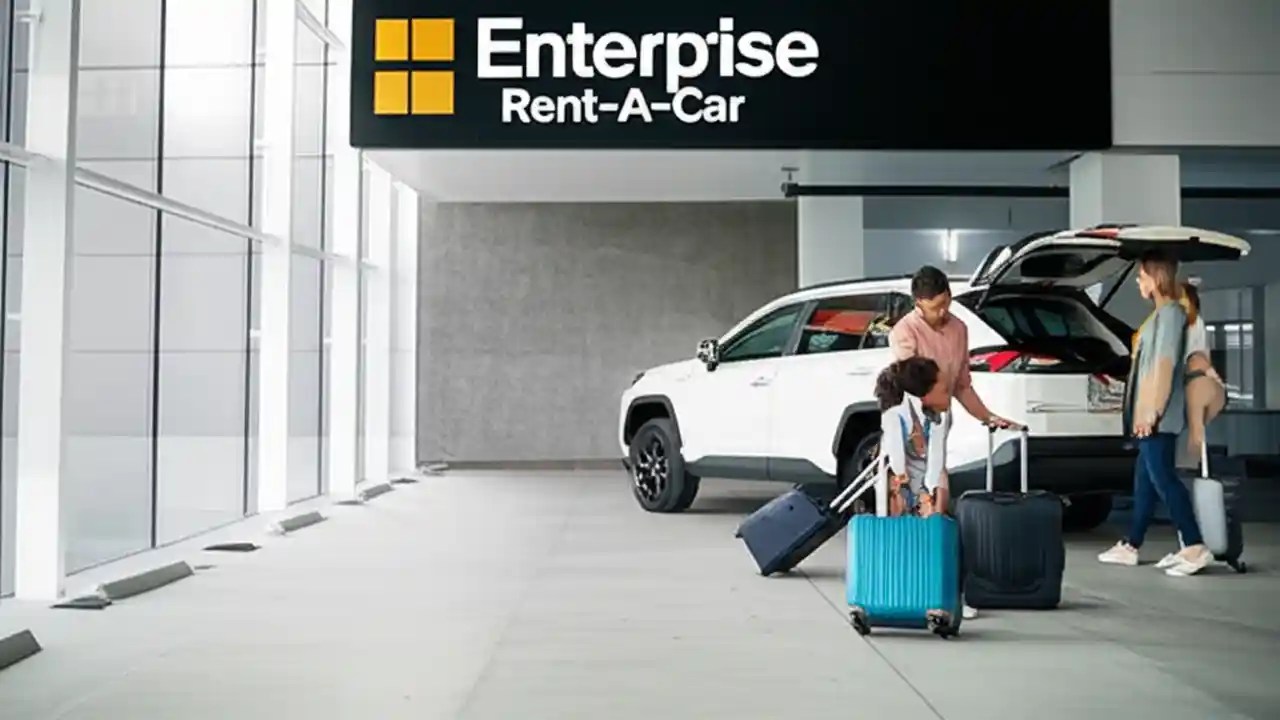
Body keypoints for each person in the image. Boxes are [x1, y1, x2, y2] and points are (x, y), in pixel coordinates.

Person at [889, 266, 1015, 619]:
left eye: (947, 303)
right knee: (910, 512)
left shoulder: (959, 329)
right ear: (918, 303)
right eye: (936, 307)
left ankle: (946, 593)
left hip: (939, 427)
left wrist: (988, 416)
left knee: (939, 510)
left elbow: (962, 384)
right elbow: (910, 385)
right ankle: (908, 589)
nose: (943, 312)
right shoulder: (904, 332)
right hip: (910, 431)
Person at [1097, 251, 1213, 577]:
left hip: (1158, 416)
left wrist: (1152, 412)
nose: (1138, 281)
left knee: (1164, 479)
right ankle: (1131, 545)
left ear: (1156, 278)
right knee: (1145, 481)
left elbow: (1163, 366)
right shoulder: (1161, 315)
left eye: (1142, 276)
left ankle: (1194, 545)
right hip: (1149, 414)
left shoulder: (1171, 315)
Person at [875, 357, 953, 518]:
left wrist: (929, 493)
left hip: (920, 477)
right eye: (944, 390)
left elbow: (936, 458)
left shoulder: (939, 418)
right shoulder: (895, 417)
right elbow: (896, 459)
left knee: (934, 494)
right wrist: (903, 484)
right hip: (898, 479)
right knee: (899, 499)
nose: (949, 396)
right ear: (924, 395)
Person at [1180, 281, 1226, 459]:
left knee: (1195, 435)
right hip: (1195, 381)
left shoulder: (1194, 324)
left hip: (1195, 380)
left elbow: (1198, 358)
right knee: (1195, 434)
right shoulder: (1184, 324)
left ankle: (1194, 464)